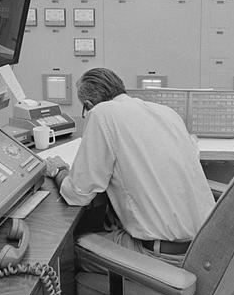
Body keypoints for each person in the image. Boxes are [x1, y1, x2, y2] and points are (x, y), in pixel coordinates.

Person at [44, 68, 216, 268]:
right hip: (203, 248)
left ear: (89, 106)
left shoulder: (101, 113)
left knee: (66, 253)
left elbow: (78, 194)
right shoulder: (166, 112)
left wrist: (59, 170)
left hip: (160, 256)